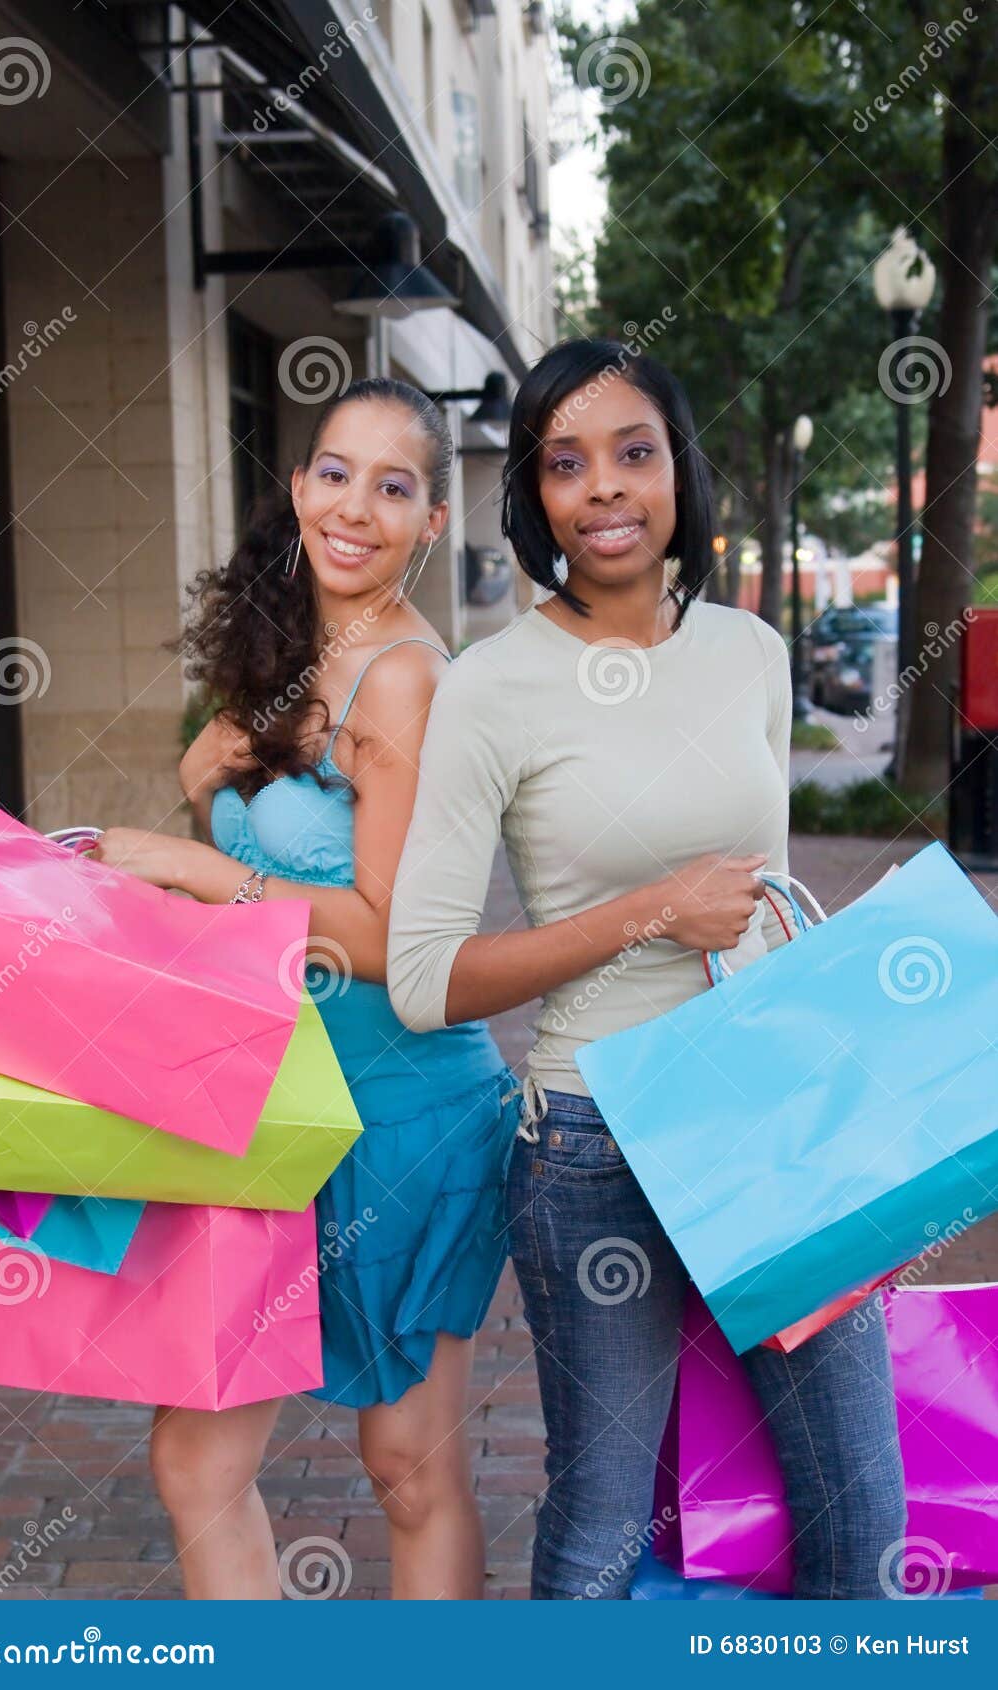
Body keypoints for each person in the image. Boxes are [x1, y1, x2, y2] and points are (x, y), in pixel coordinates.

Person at [385, 338, 908, 1600]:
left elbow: (760, 911)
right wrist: (644, 912)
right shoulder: (491, 687)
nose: (604, 489)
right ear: (533, 493)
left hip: (763, 1121)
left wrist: (864, 1109)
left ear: (680, 469)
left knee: (860, 1506)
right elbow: (420, 976)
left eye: (633, 452)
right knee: (601, 1525)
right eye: (565, 464)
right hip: (588, 1139)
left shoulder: (747, 651)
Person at [91, 377, 522, 1600]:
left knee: (406, 1469)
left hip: (399, 1111)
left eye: (393, 487)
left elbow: (396, 938)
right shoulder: (283, 653)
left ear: (431, 521)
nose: (354, 507)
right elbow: (264, 835)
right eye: (334, 473)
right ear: (296, 489)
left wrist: (197, 863)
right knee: (194, 1458)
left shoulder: (403, 680)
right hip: (267, 1102)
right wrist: (204, 788)